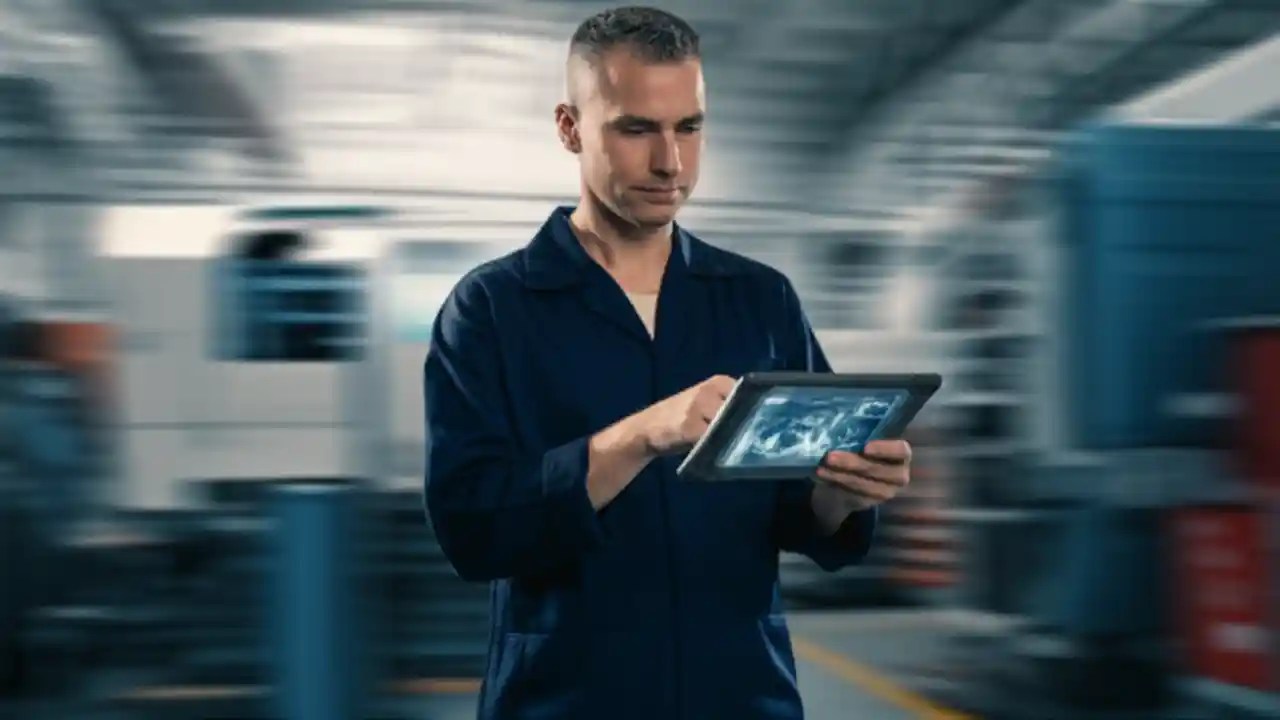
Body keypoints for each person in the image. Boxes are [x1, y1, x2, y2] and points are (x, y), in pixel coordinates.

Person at [423, 6, 913, 719]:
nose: (670, 163)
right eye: (636, 129)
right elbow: (473, 532)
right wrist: (641, 434)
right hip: (566, 702)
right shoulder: (493, 309)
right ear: (569, 128)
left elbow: (798, 515)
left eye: (689, 127)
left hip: (742, 697)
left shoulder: (759, 298)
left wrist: (844, 491)